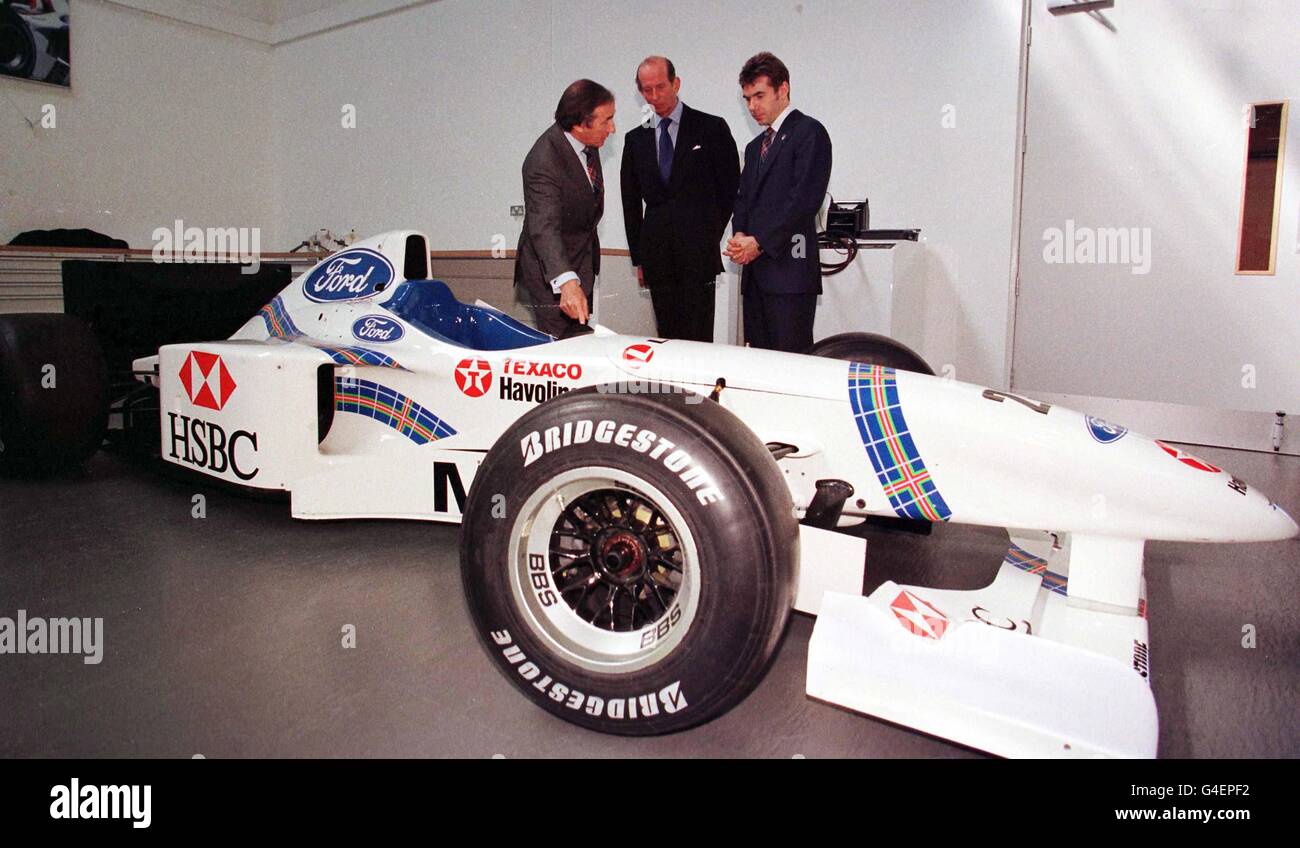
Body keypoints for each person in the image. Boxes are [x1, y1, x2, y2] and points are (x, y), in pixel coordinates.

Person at [620, 56, 739, 342]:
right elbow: (631, 202)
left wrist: (709, 234)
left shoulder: (711, 128)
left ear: (676, 83)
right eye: (647, 90)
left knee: (698, 339)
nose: (654, 96)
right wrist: (640, 258)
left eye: (660, 87)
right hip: (657, 256)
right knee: (666, 338)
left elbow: (730, 187)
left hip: (699, 253)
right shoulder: (635, 139)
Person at [725, 52, 832, 353]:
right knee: (757, 366)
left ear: (782, 89)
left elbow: (803, 202)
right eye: (747, 99)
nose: (752, 107)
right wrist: (740, 236)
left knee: (790, 366)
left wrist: (758, 243)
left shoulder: (809, 132)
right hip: (756, 277)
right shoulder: (754, 145)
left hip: (790, 277)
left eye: (759, 96)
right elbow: (743, 199)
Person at [514, 79, 616, 337]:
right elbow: (544, 227)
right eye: (606, 121)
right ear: (581, 124)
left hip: (581, 264)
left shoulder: (589, 145)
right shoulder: (543, 160)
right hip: (552, 275)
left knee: (581, 341)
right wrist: (567, 282)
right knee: (565, 351)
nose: (612, 128)